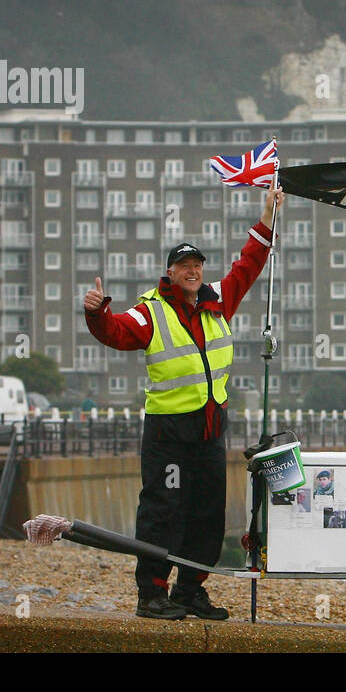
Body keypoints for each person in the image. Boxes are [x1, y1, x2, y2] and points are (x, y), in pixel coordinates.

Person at [84, 180, 283, 621]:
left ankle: (190, 589)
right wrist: (97, 311)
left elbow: (248, 266)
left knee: (208, 515)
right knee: (163, 512)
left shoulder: (216, 303)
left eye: (197, 264)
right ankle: (151, 593)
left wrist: (267, 214)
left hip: (210, 431)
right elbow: (114, 333)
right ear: (170, 273)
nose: (192, 270)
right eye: (184, 265)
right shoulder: (150, 311)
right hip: (169, 434)